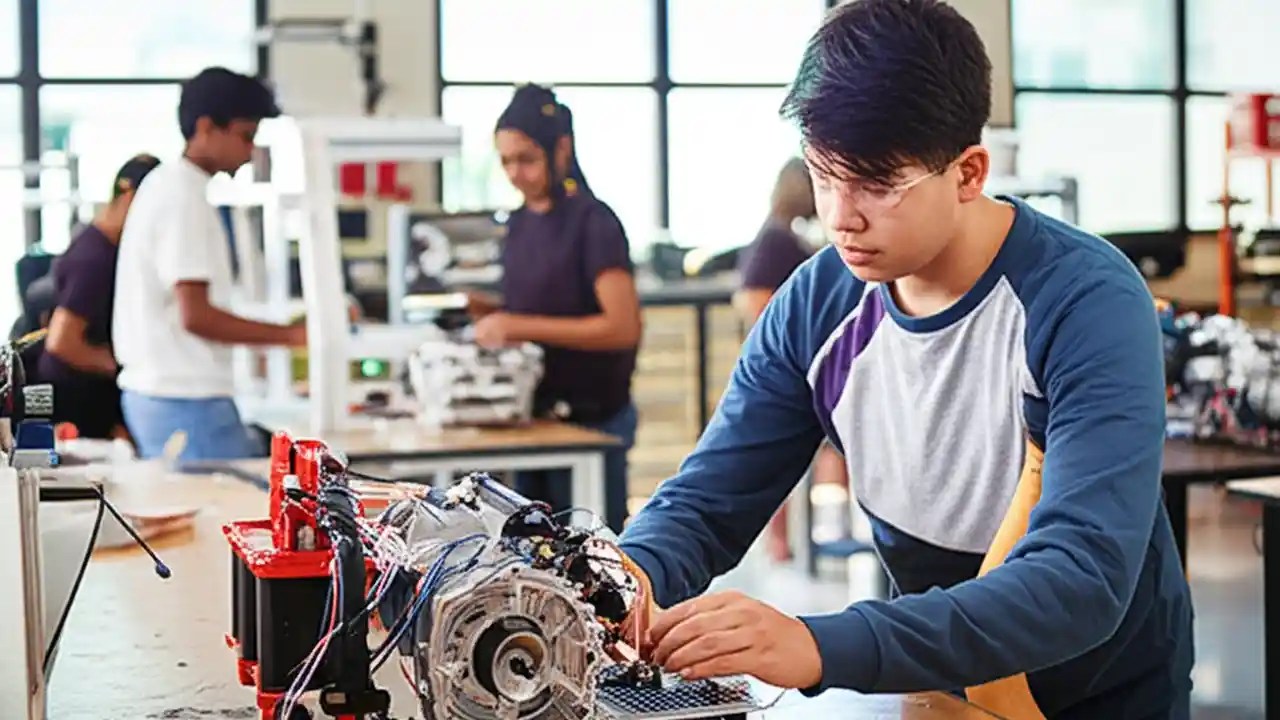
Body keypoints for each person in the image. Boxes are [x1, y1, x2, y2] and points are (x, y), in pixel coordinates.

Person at [617, 2, 1194, 719]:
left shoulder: (1085, 303)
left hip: (1102, 693)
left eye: (877, 183)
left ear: (968, 172)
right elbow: (706, 504)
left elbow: (1079, 580)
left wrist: (818, 646)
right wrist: (617, 580)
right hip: (940, 687)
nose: (841, 216)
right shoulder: (819, 304)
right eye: (824, 175)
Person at [470, 84, 642, 535]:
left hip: (592, 423)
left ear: (560, 149)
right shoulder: (520, 225)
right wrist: (487, 312)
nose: (515, 173)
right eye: (506, 161)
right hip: (536, 422)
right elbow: (543, 306)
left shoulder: (594, 223)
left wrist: (516, 323)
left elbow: (621, 327)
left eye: (526, 159)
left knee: (593, 560)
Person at [112, 67, 306, 461]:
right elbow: (196, 316)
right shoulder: (183, 197)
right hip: (184, 401)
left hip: (169, 397)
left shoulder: (172, 186)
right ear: (206, 127)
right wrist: (293, 337)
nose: (251, 152)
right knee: (238, 514)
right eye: (245, 136)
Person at [735, 157, 848, 563]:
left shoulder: (780, 236)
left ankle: (813, 536)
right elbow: (753, 299)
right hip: (790, 366)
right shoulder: (778, 240)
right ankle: (792, 540)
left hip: (802, 363)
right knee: (787, 454)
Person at [36, 154, 159, 440]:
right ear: (128, 196)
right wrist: (124, 364)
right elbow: (62, 343)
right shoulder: (94, 258)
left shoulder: (106, 246)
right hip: (81, 400)